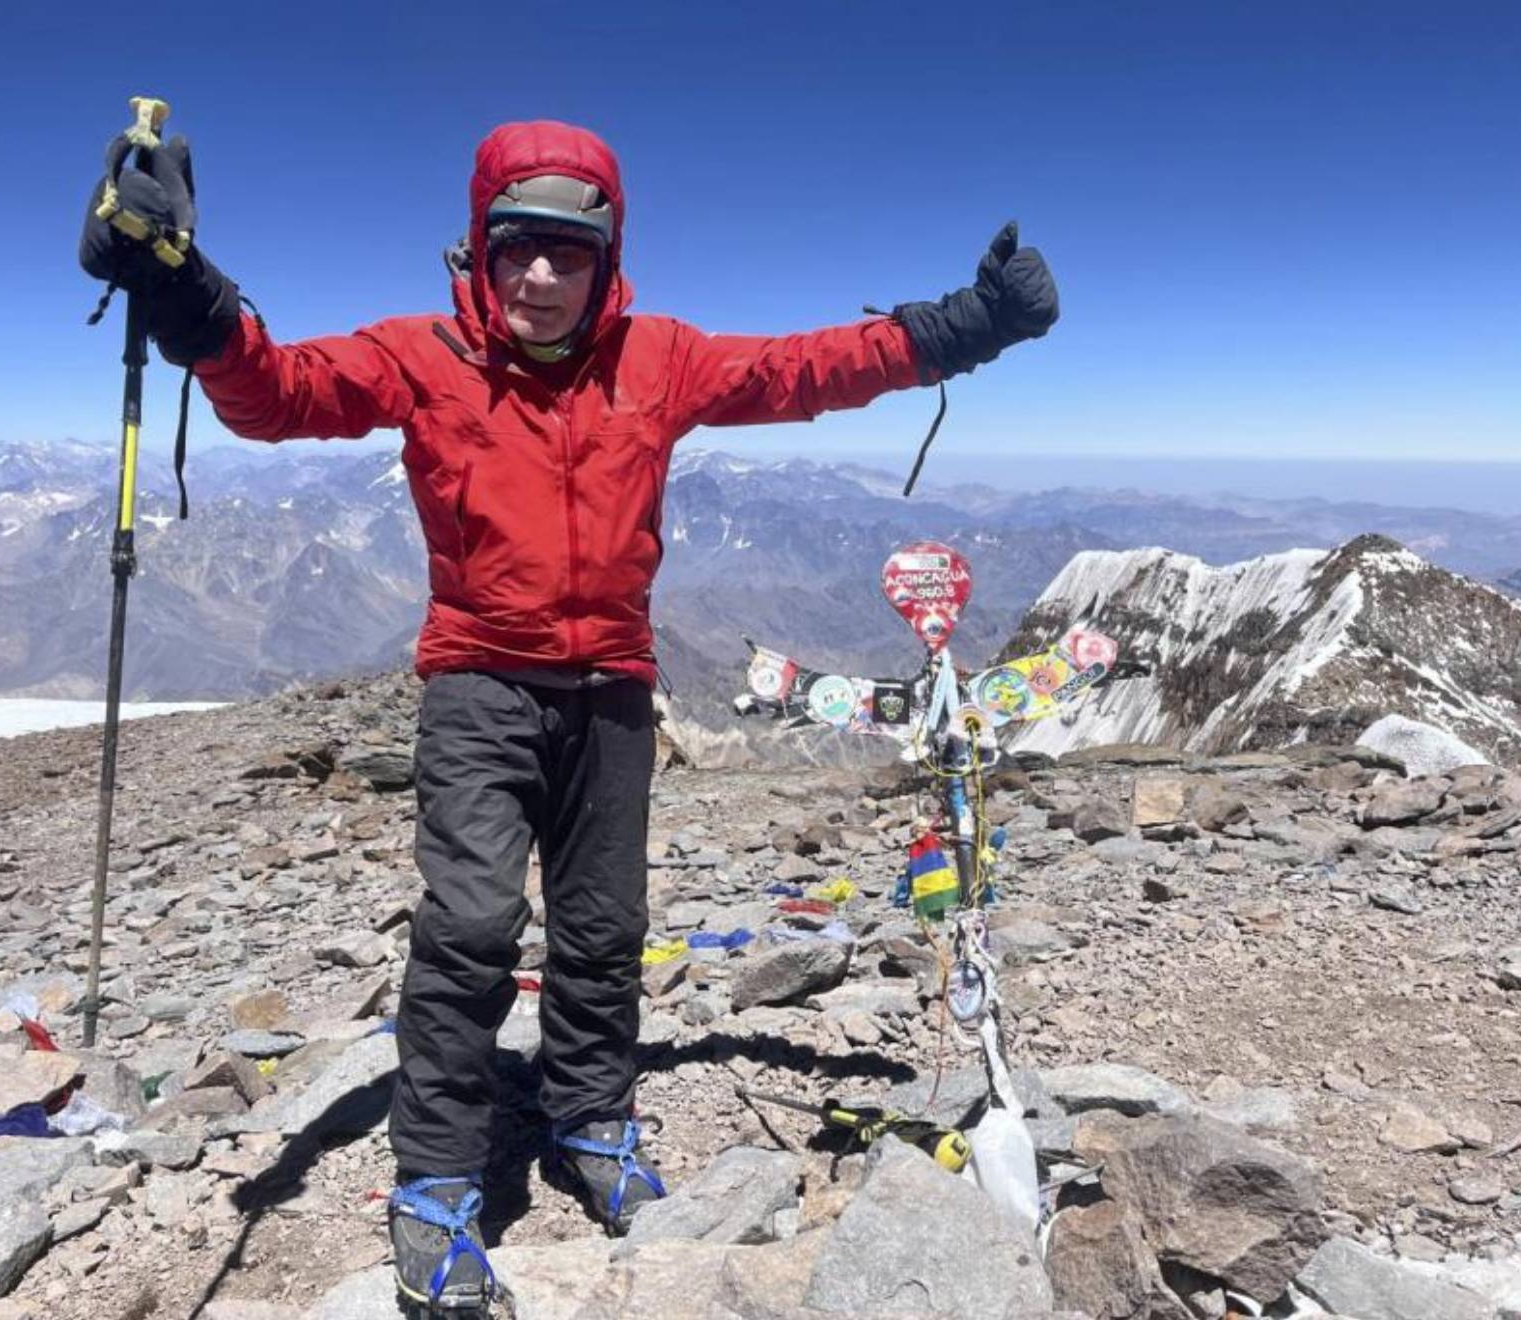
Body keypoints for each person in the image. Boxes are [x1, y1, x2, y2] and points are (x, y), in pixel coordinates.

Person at [81, 118, 1056, 1312]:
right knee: (475, 925)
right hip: (480, 684)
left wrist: (972, 324)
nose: (540, 276)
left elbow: (805, 369)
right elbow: (280, 394)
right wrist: (185, 290)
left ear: (608, 254)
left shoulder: (662, 359)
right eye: (516, 250)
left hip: (611, 694)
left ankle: (592, 1114)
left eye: (568, 251)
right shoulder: (422, 355)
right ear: (479, 252)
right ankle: (437, 1173)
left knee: (602, 925)